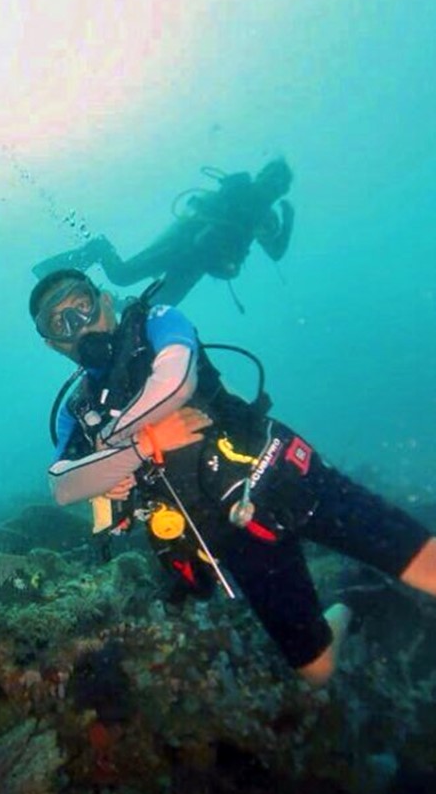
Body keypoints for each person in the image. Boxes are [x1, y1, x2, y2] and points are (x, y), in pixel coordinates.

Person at [30, 269, 436, 686]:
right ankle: (355, 594)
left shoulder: (156, 321)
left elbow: (174, 383)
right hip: (228, 530)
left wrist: (111, 448)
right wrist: (140, 449)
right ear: (51, 344)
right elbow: (62, 486)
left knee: (428, 567)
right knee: (316, 667)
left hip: (281, 473)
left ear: (105, 300)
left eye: (81, 306)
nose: (79, 325)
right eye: (59, 322)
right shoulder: (74, 411)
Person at [32, 159, 295, 308]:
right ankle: (91, 253)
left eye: (278, 183)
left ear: (281, 190)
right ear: (261, 175)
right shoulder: (241, 191)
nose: (272, 185)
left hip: (199, 265)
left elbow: (276, 252)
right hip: (180, 247)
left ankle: (111, 304)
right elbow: (274, 249)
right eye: (271, 177)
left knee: (152, 310)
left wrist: (288, 220)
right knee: (122, 275)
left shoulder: (265, 215)